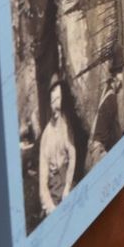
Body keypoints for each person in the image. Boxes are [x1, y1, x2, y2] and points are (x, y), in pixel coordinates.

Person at [37, 77, 77, 217]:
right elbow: (43, 182)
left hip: (68, 181)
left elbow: (72, 156)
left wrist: (67, 187)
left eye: (58, 99)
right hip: (54, 191)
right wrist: (50, 208)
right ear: (49, 103)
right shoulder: (45, 137)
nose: (56, 105)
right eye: (53, 100)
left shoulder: (66, 123)